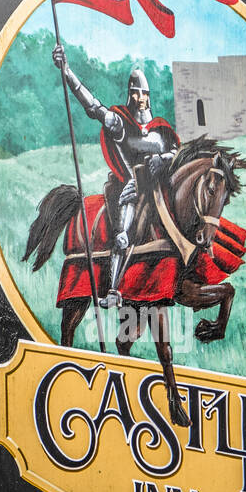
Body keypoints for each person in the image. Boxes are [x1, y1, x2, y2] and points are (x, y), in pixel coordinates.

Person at [52, 44, 179, 306]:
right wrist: (67, 73)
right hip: (132, 187)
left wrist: (163, 158)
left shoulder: (161, 130)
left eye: (143, 92)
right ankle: (113, 290)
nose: (139, 97)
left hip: (159, 189)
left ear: (149, 95)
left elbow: (177, 153)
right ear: (130, 94)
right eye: (135, 92)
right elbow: (94, 107)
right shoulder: (121, 124)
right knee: (122, 235)